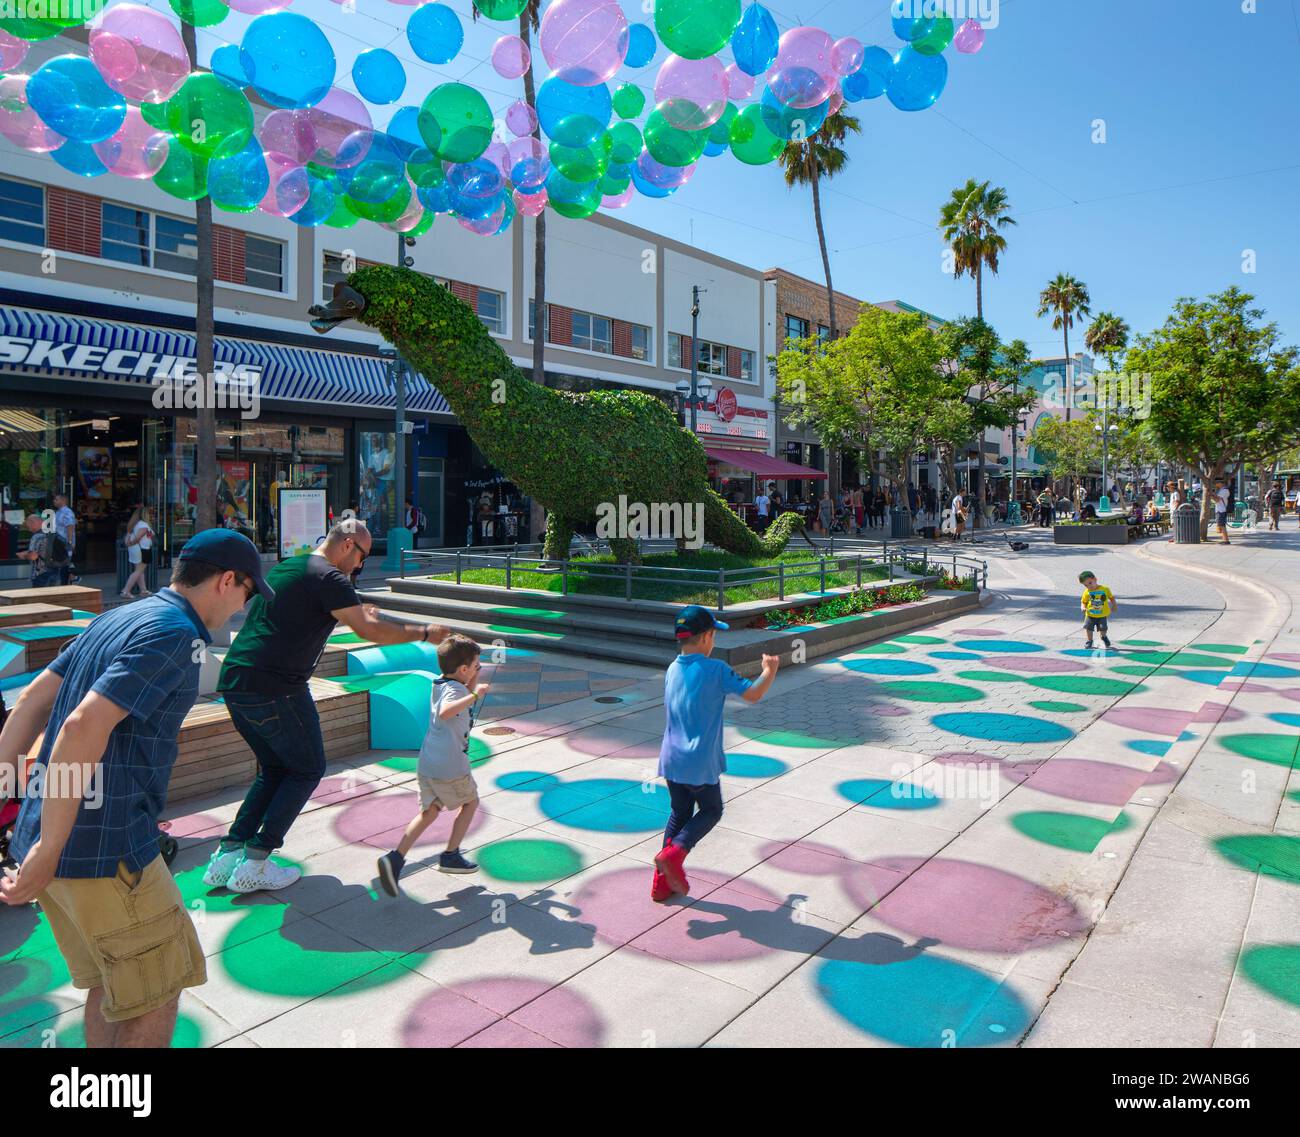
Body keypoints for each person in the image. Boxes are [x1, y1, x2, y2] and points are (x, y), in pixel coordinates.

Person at [0, 530, 266, 1047]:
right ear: (227, 580)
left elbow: (31, 701)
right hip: (108, 850)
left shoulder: (118, 616)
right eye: (246, 595)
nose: (242, 608)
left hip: (49, 839)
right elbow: (80, 726)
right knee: (157, 994)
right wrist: (50, 850)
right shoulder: (176, 634)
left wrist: (13, 802)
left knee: (111, 985)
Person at [205, 521, 451, 894]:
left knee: (274, 769)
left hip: (237, 683)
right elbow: (367, 631)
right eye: (362, 557)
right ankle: (256, 861)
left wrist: (358, 610)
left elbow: (310, 613)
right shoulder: (331, 578)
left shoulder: (292, 566)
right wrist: (423, 633)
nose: (359, 567)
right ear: (348, 545)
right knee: (307, 769)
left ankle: (227, 858)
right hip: (277, 687)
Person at [652, 607, 779, 900]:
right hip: (698, 763)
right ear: (707, 637)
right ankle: (674, 855)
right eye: (714, 635)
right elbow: (753, 694)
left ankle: (661, 884)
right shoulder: (716, 669)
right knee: (711, 810)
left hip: (671, 759)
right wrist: (769, 671)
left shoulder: (673, 668)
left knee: (679, 812)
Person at [376, 635, 489, 894]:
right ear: (462, 670)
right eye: (474, 666)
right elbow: (446, 711)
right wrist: (474, 694)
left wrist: (475, 673)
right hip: (450, 767)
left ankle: (395, 859)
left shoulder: (442, 683)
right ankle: (451, 855)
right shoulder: (456, 691)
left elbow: (462, 685)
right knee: (470, 803)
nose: (476, 671)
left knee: (431, 811)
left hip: (429, 764)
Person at [121, 505, 155, 599]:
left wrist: (129, 543)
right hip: (142, 549)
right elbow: (139, 537)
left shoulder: (134, 524)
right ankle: (126, 591)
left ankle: (143, 590)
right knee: (139, 571)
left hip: (135, 549)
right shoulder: (144, 525)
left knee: (139, 571)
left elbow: (127, 538)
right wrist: (132, 542)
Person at [1079, 570, 1116, 651]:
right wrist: (1083, 607)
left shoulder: (1105, 589)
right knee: (1088, 629)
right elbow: (1083, 602)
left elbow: (1111, 598)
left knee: (1103, 629)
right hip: (1090, 614)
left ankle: (1103, 637)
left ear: (1095, 579)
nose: (1089, 586)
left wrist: (1114, 605)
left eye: (1090, 583)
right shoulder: (1087, 592)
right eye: (1086, 585)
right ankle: (1089, 641)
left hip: (1102, 615)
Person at [20, 514, 61, 587]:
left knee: (39, 597)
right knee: (50, 596)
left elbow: (33, 556)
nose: (28, 528)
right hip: (55, 571)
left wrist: (24, 555)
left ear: (34, 522)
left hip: (41, 574)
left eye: (28, 525)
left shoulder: (37, 536)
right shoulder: (53, 533)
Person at [53, 493, 77, 584]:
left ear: (63, 501)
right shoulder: (58, 512)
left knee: (64, 566)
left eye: (56, 499)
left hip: (65, 543)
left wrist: (70, 542)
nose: (54, 501)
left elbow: (70, 526)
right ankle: (72, 579)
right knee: (63, 565)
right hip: (59, 543)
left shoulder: (67, 512)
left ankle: (67, 583)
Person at [1214, 479, 1231, 545]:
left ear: (1221, 483)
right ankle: (1224, 539)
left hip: (1221, 510)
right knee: (1221, 525)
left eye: (1217, 482)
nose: (1216, 484)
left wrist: (1211, 496)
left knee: (1222, 525)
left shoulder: (1224, 491)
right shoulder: (1221, 490)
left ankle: (1226, 540)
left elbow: (1217, 500)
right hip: (1219, 509)